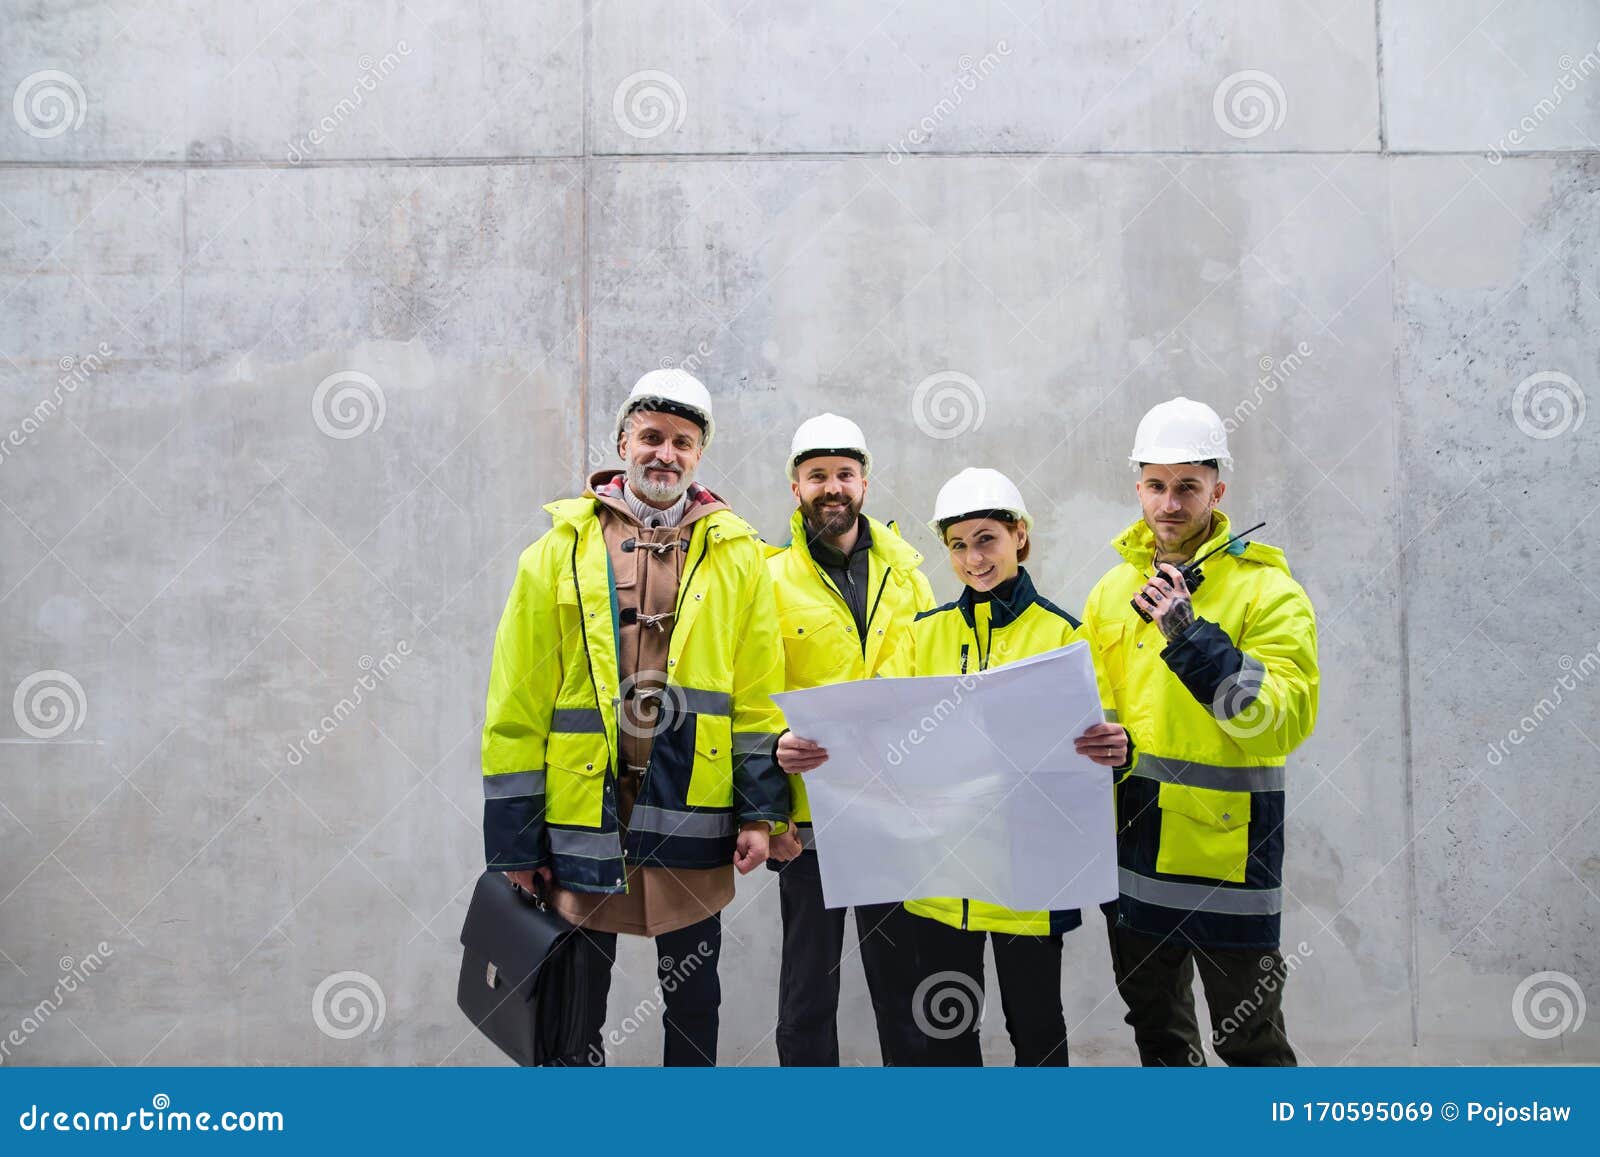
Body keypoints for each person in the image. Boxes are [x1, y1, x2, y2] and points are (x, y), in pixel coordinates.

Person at [479, 368, 790, 1066]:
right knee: (574, 1002)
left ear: (699, 454)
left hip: (693, 811)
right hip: (583, 816)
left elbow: (757, 696)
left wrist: (760, 813)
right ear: (622, 440)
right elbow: (515, 706)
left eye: (682, 441)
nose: (665, 453)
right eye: (650, 436)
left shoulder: (740, 556)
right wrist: (515, 843)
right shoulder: (557, 551)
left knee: (694, 1001)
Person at [784, 467, 1129, 1066]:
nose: (974, 558)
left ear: (1020, 535)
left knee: (1038, 1029)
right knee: (946, 1037)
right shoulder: (924, 635)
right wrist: (801, 747)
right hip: (942, 880)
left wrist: (1117, 753)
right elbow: (875, 724)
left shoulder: (1065, 636)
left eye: (987, 538)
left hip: (1031, 882)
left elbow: (1098, 754)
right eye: (959, 545)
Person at [1083, 396, 1319, 1066]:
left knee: (1249, 1041)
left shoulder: (1267, 592)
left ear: (1218, 490)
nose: (1170, 503)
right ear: (1138, 488)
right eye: (1156, 485)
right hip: (1135, 851)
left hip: (1228, 854)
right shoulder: (1109, 594)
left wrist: (1190, 636)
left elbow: (1282, 719)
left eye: (1188, 486)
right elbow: (1096, 715)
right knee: (1159, 1039)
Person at [765, 414, 935, 1066]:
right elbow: (753, 693)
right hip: (810, 821)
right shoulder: (770, 578)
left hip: (891, 813)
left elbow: (931, 681)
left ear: (864, 482)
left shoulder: (908, 576)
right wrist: (774, 746)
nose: (831, 487)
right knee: (808, 993)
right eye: (817, 476)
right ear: (795, 487)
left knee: (904, 990)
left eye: (843, 474)